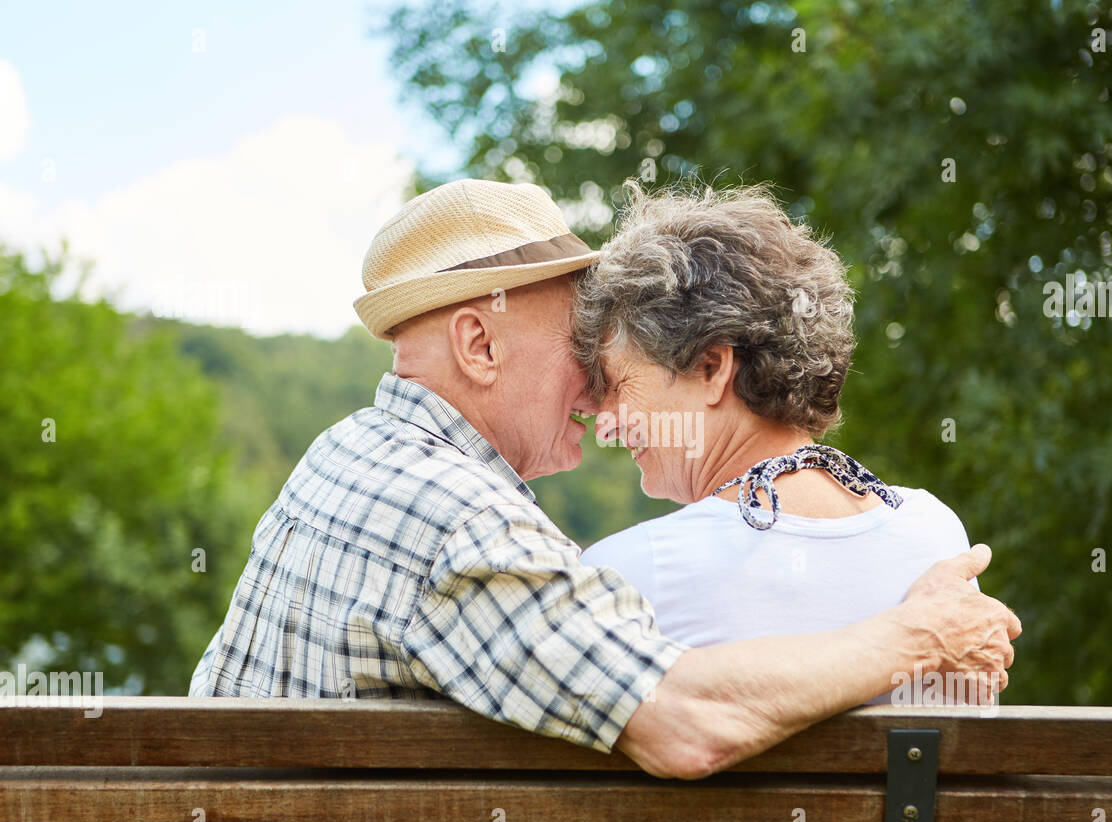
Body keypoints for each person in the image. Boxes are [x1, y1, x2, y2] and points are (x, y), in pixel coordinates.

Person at [189, 178, 1020, 779]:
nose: (595, 392)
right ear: (480, 344)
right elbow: (688, 724)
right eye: (581, 349)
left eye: (609, 365)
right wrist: (919, 636)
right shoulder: (463, 522)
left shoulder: (346, 456)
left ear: (711, 368)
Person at [576, 182, 984, 707]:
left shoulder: (627, 575)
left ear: (711, 367)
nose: (605, 421)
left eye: (618, 385)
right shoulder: (934, 534)